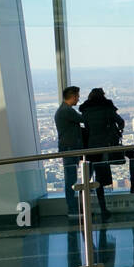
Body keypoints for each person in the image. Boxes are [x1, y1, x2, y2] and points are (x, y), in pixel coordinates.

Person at [78, 87, 125, 219]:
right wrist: (116, 132)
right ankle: (104, 209)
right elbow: (121, 122)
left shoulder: (85, 111)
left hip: (90, 148)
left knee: (87, 179)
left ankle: (84, 208)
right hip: (105, 147)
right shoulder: (107, 109)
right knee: (101, 179)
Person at [54, 86, 84, 218]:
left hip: (69, 148)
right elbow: (83, 119)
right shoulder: (67, 111)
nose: (78, 98)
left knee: (71, 178)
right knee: (71, 180)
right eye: (77, 96)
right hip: (69, 149)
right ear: (71, 96)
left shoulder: (63, 110)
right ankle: (72, 209)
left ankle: (73, 208)